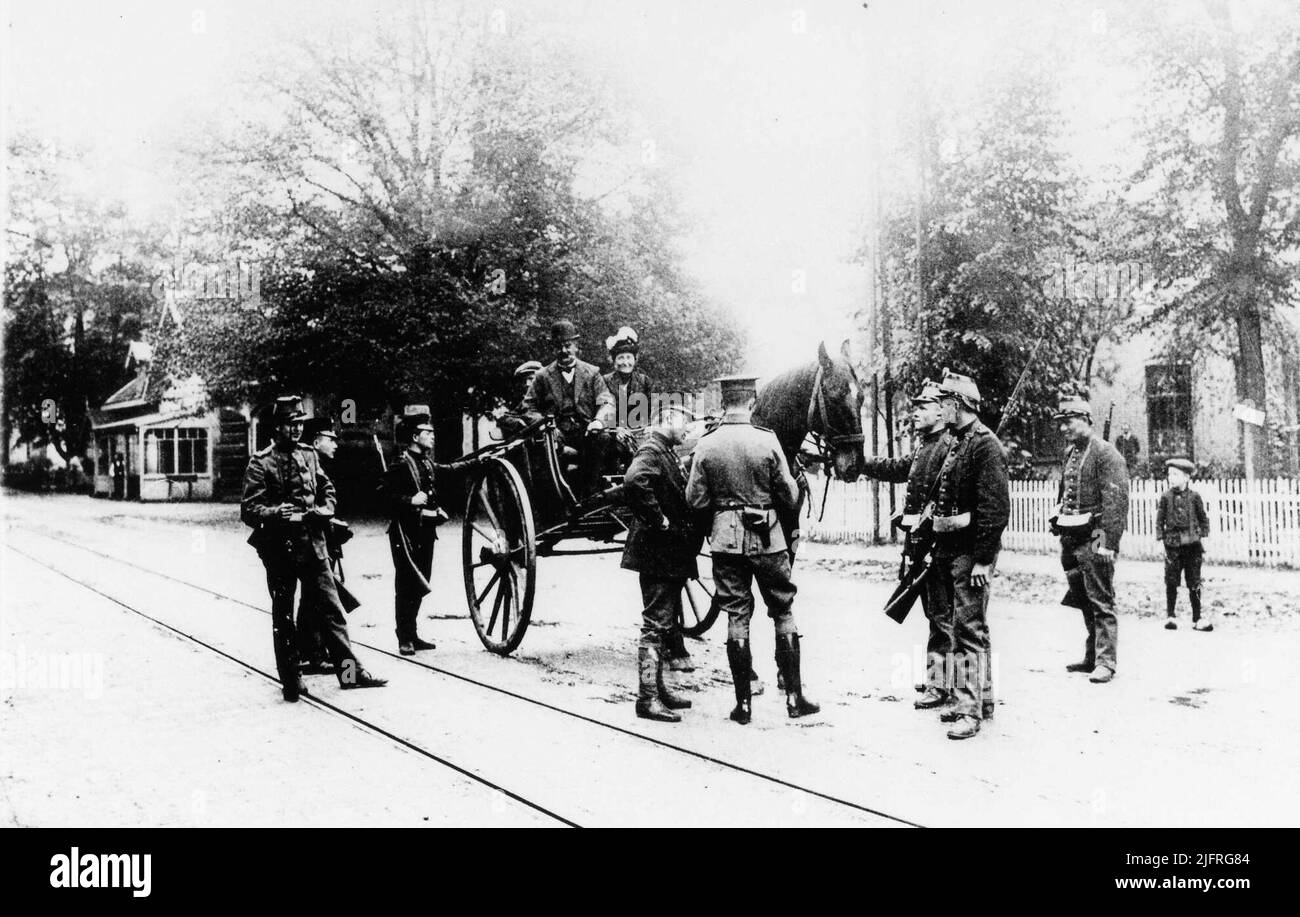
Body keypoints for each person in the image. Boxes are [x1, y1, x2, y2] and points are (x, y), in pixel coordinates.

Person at [685, 374, 817, 724]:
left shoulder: (707, 443)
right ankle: (793, 698)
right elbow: (790, 496)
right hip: (768, 538)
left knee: (736, 615)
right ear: (753, 401)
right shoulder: (767, 440)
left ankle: (743, 706)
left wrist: (724, 507)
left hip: (726, 543)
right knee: (783, 610)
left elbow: (695, 499)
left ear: (724, 400)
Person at [241, 396, 386, 701]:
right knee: (284, 616)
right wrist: (273, 513)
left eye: (298, 425)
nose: (294, 431)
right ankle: (292, 680)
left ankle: (350, 674)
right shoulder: (261, 461)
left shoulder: (309, 455)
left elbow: (327, 488)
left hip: (314, 546)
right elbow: (249, 508)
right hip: (280, 549)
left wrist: (326, 508)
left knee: (333, 613)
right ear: (277, 427)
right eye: (289, 425)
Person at [859, 379, 956, 710]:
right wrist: (861, 462)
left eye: (923, 407)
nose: (915, 412)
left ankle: (941, 684)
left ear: (942, 412)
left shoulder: (947, 447)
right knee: (934, 611)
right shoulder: (926, 446)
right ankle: (941, 678)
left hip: (938, 544)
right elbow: (897, 469)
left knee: (942, 613)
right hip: (920, 543)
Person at [927, 371, 1009, 740]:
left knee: (967, 629)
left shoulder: (984, 445)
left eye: (943, 402)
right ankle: (983, 699)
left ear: (956, 405)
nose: (940, 408)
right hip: (951, 549)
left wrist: (983, 560)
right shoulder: (958, 440)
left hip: (971, 553)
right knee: (971, 626)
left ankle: (968, 710)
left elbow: (995, 510)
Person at [618, 405, 701, 722]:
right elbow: (634, 481)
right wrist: (660, 520)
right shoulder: (652, 448)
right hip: (656, 553)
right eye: (684, 423)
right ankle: (647, 698)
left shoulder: (663, 449)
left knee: (665, 626)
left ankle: (660, 690)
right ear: (666, 420)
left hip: (666, 555)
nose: (687, 430)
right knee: (654, 626)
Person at [1053, 395, 1129, 685]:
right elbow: (1065, 493)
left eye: (1068, 422)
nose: (1064, 429)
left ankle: (1106, 663)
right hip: (1071, 537)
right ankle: (1091, 657)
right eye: (1061, 424)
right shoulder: (1070, 453)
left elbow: (1116, 503)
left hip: (1096, 536)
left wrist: (1107, 543)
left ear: (1085, 420)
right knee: (1081, 597)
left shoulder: (1107, 454)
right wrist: (1057, 515)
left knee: (1101, 598)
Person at [385, 414, 471, 655]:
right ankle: (404, 637)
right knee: (406, 583)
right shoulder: (401, 463)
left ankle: (412, 633)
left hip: (426, 532)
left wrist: (477, 461)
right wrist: (409, 500)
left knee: (422, 581)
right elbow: (383, 497)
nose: (432, 436)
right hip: (405, 534)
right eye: (427, 432)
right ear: (415, 437)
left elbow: (450, 470)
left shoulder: (425, 462)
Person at [520, 319, 616, 497]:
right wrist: (545, 426)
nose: (563, 351)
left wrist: (598, 421)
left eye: (567, 345)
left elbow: (607, 402)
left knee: (603, 438)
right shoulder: (542, 376)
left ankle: (592, 495)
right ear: (553, 348)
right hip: (556, 434)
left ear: (576, 346)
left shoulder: (592, 373)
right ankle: (560, 503)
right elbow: (529, 407)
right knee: (550, 450)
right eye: (558, 346)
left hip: (586, 433)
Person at [295, 419, 346, 673]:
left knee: (312, 598)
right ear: (316, 442)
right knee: (319, 599)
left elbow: (327, 495)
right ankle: (313, 655)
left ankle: (311, 653)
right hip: (306, 541)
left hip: (321, 538)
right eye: (330, 439)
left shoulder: (320, 464)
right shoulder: (307, 460)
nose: (335, 444)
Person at [1157, 457, 1212, 631]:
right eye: (1169, 474)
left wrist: (1203, 536)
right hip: (1172, 546)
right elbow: (1159, 521)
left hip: (1193, 547)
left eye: (1175, 474)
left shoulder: (1195, 497)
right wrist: (1160, 540)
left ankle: (1197, 618)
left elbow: (1203, 519)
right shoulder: (1166, 497)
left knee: (1194, 581)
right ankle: (1171, 616)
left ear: (1187, 477)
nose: (1171, 478)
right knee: (1171, 581)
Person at [498, 360, 543, 437]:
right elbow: (504, 419)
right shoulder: (524, 404)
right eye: (524, 381)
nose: (527, 384)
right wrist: (519, 423)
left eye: (531, 379)